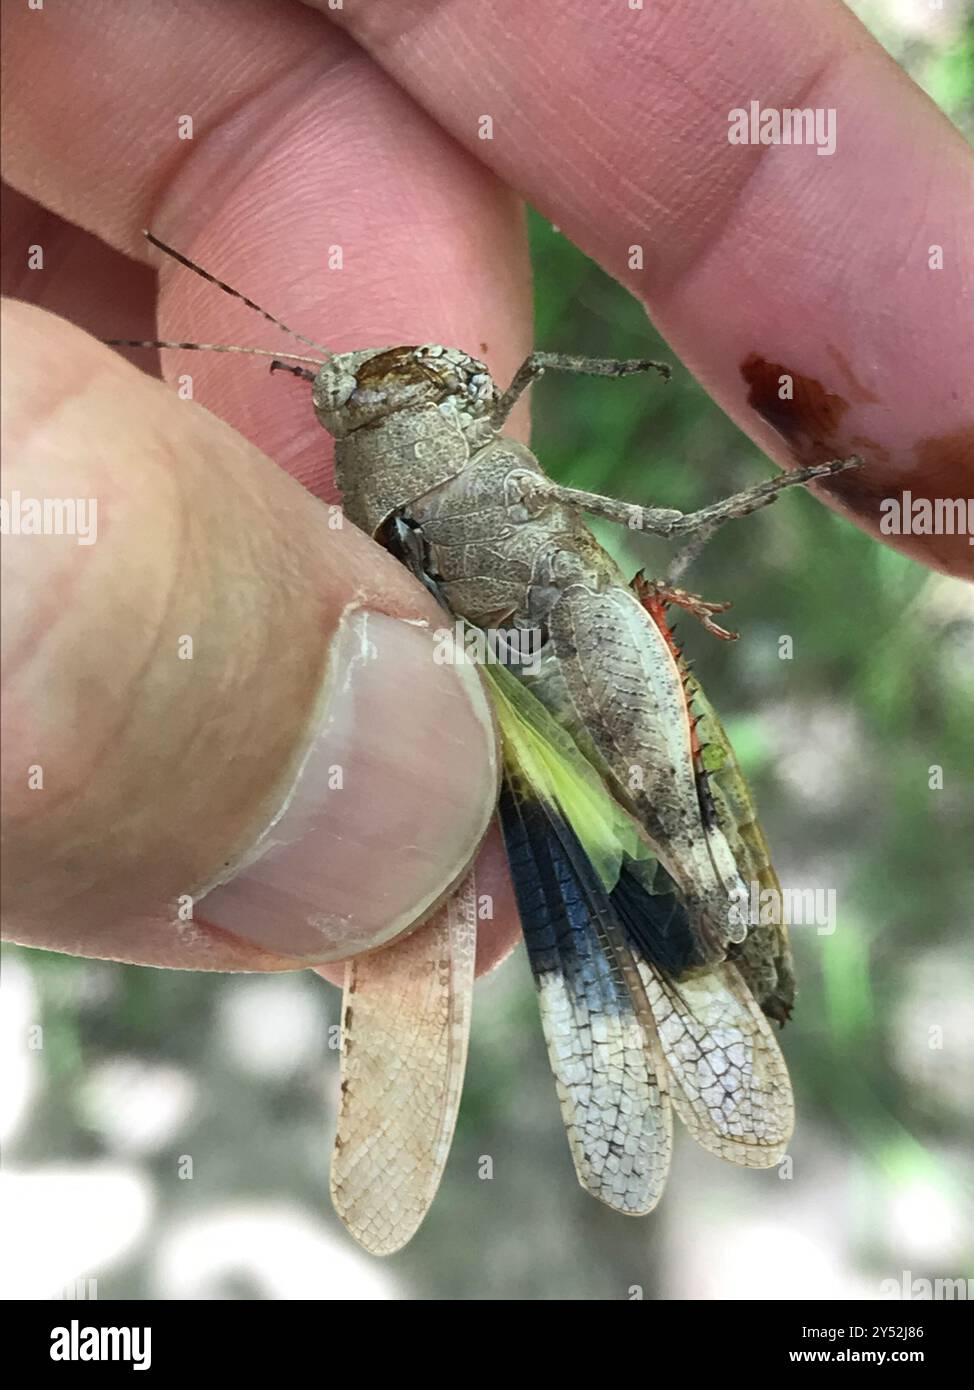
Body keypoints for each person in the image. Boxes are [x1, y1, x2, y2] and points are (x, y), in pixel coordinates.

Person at [2, 0, 971, 976]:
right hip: (560, 658)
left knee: (658, 712)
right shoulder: (391, 497)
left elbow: (518, 378)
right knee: (646, 723)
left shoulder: (422, 453)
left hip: (575, 615)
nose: (356, 385)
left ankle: (715, 912)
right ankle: (703, 931)